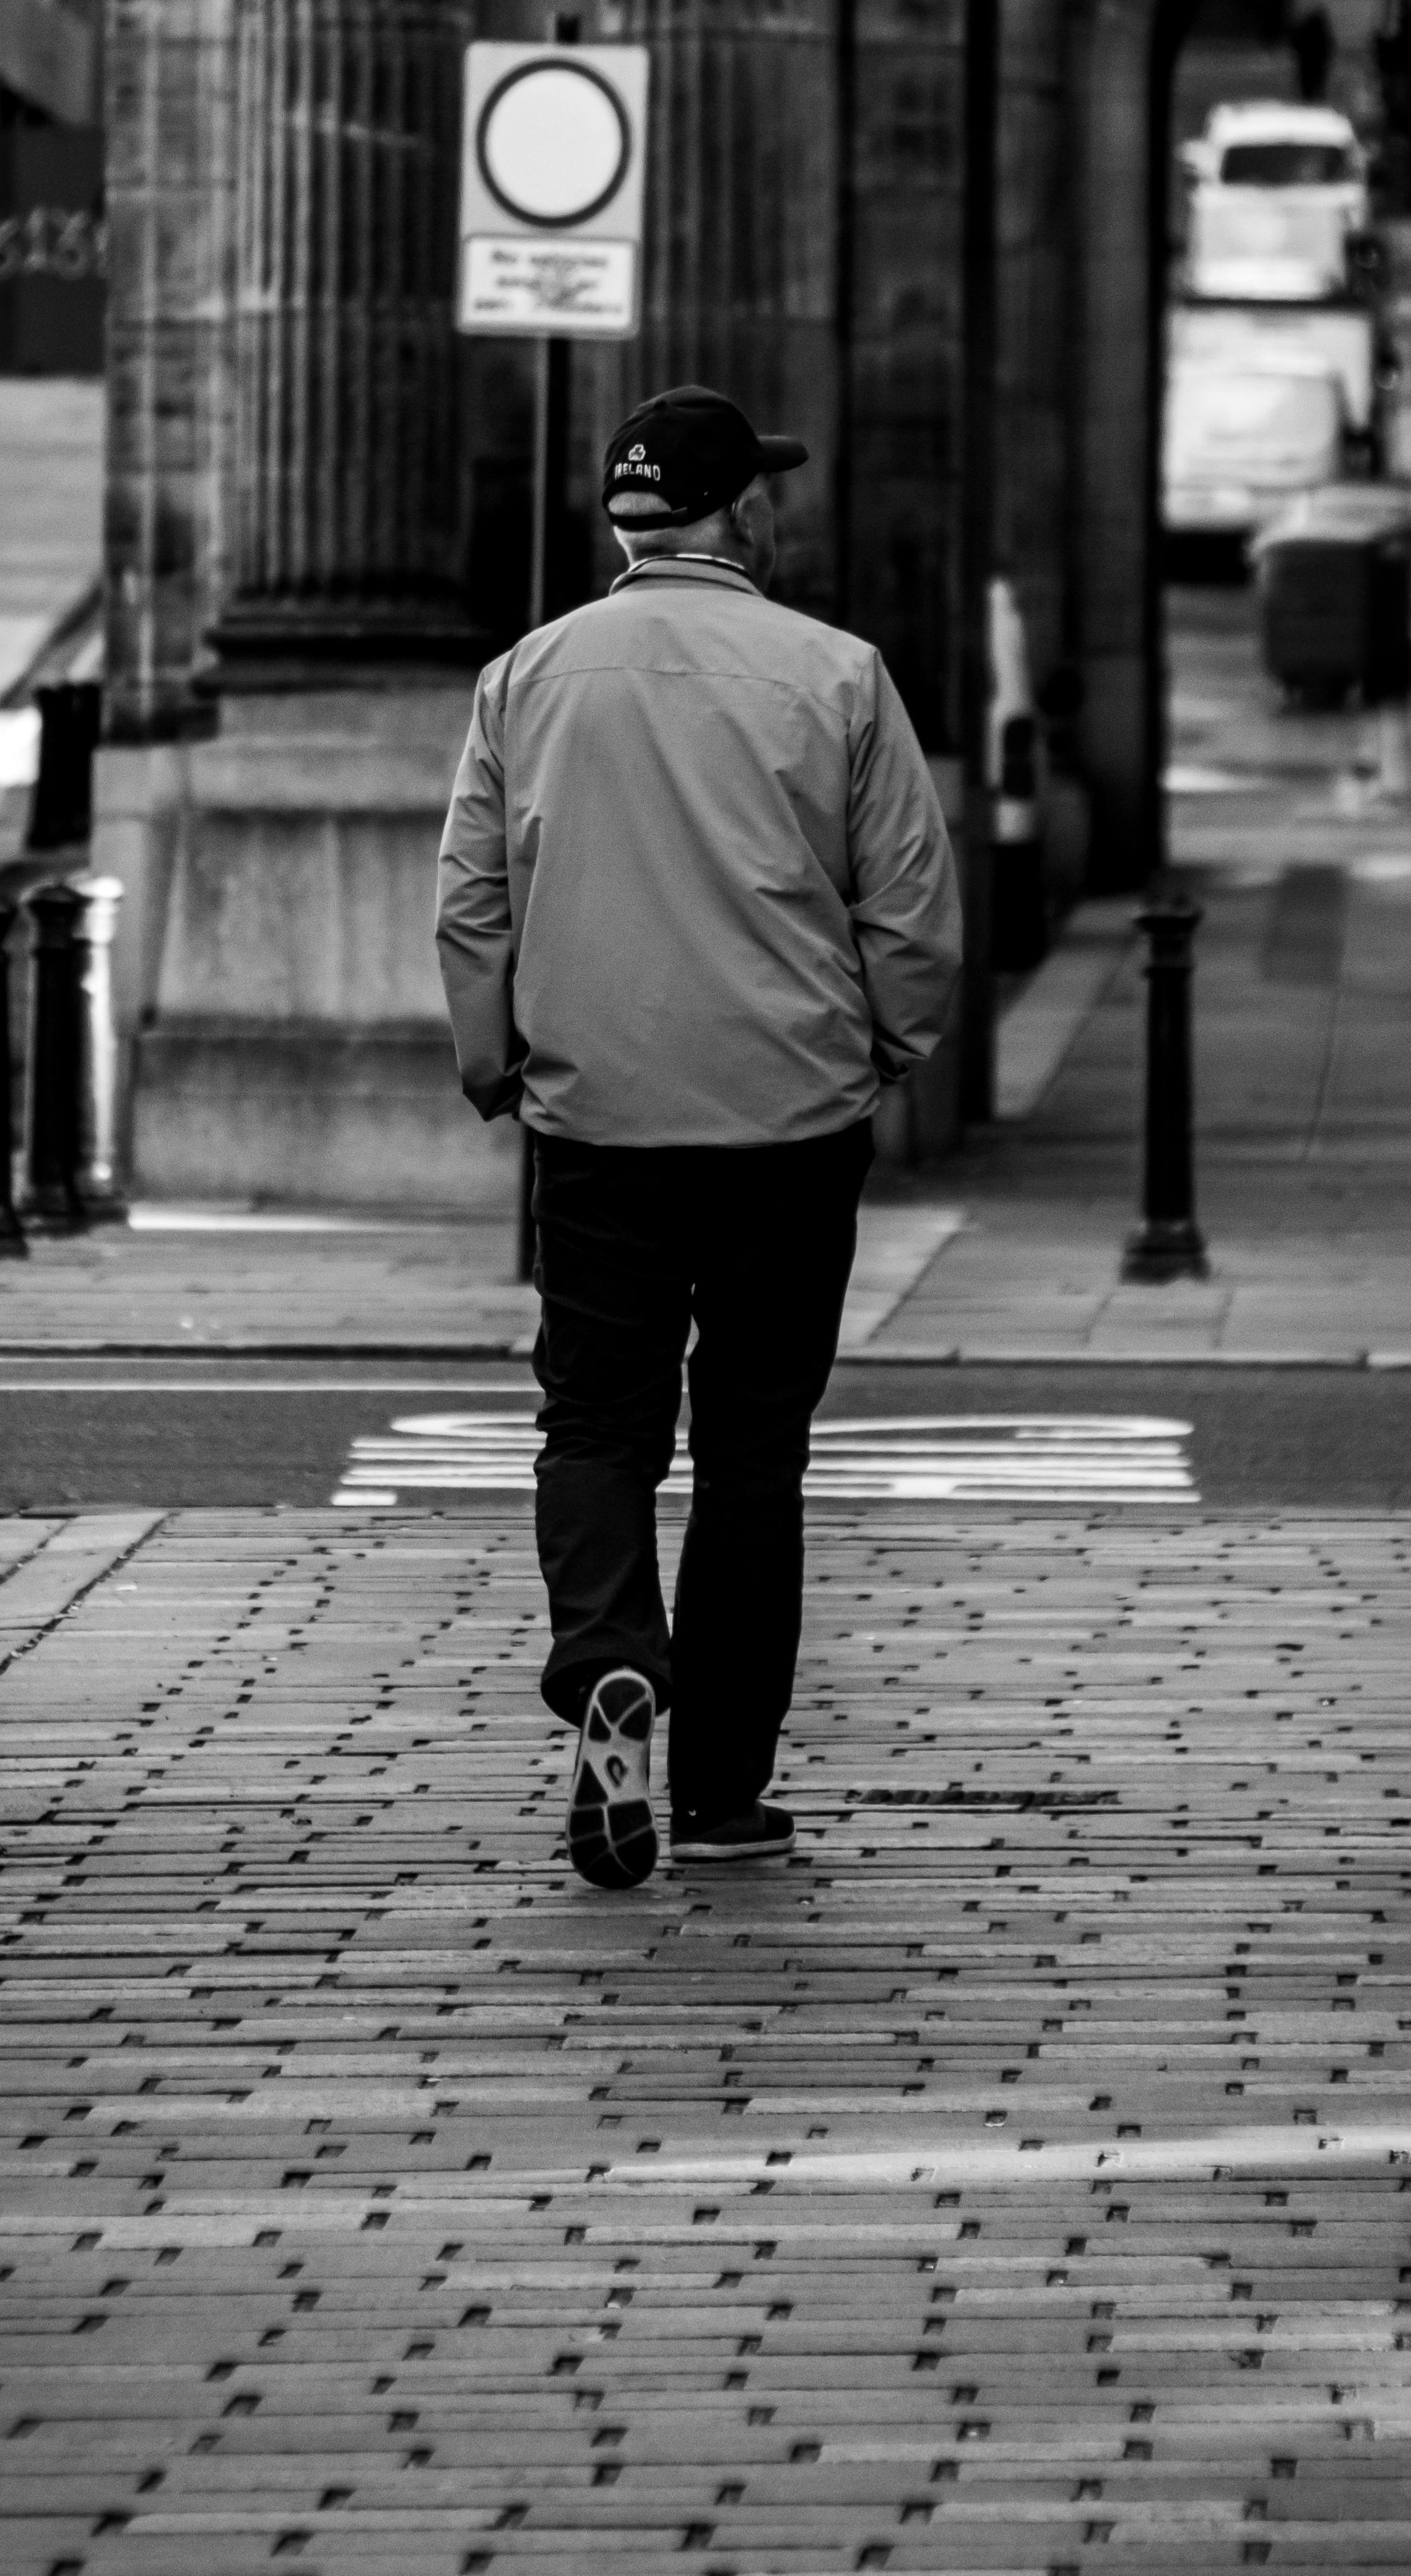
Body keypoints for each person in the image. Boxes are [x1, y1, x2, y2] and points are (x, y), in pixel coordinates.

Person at [435, 384, 962, 1889]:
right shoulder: (836, 675)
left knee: (595, 1424)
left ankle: (609, 1660)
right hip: (786, 1125)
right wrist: (875, 1053)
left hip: (597, 1117)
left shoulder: (524, 678)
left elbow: (470, 897)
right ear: (746, 513)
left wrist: (500, 1067)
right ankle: (722, 1784)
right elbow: (910, 914)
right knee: (749, 1453)